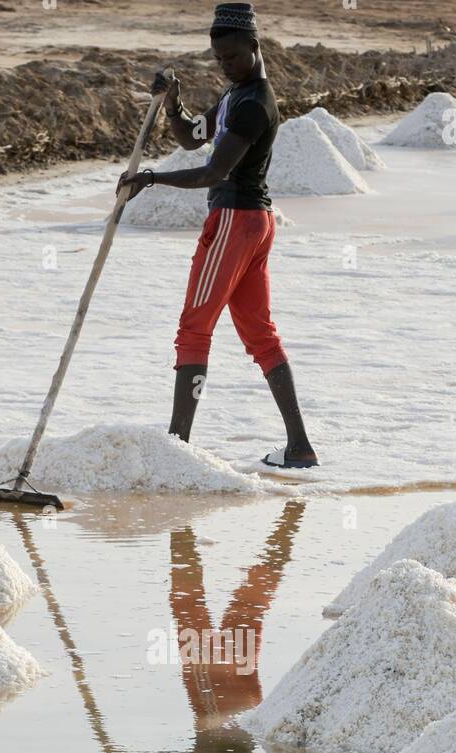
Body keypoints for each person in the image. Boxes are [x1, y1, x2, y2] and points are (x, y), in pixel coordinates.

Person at [117, 2, 318, 474]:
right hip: (254, 224)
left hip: (234, 221)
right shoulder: (235, 95)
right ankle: (300, 447)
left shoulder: (254, 104)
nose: (224, 66)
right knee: (261, 336)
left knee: (193, 330)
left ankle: (176, 447)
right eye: (218, 59)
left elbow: (215, 170)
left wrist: (152, 180)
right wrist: (173, 104)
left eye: (231, 57)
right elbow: (192, 137)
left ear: (253, 46)